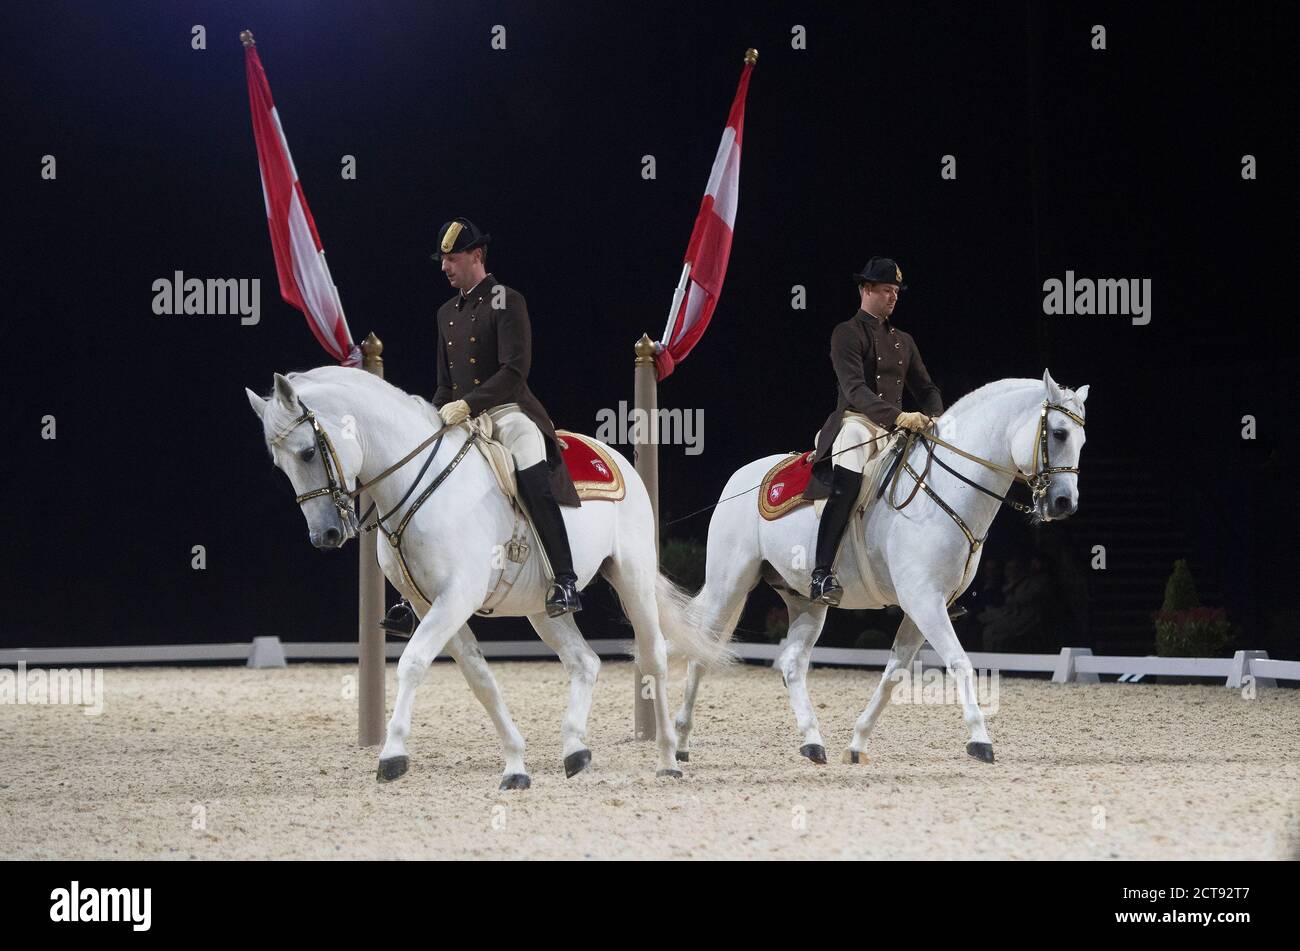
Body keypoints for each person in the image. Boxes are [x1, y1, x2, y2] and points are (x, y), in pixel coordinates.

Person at [381, 218, 582, 636]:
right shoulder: (445, 313)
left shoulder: (508, 300)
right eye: (442, 260)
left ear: (476, 256)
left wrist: (467, 405)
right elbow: (442, 383)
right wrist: (431, 419)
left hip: (508, 412)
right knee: (420, 477)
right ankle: (410, 592)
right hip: (459, 414)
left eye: (452, 259)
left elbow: (514, 371)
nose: (444, 267)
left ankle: (564, 578)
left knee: (528, 461)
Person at [803, 257, 944, 605]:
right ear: (866, 290)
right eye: (886, 290)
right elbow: (855, 390)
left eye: (896, 292)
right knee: (848, 466)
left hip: (897, 429)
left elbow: (926, 389)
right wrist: (898, 417)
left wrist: (936, 418)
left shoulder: (904, 341)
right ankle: (821, 573)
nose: (893, 297)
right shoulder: (846, 333)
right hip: (857, 422)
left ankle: (939, 579)